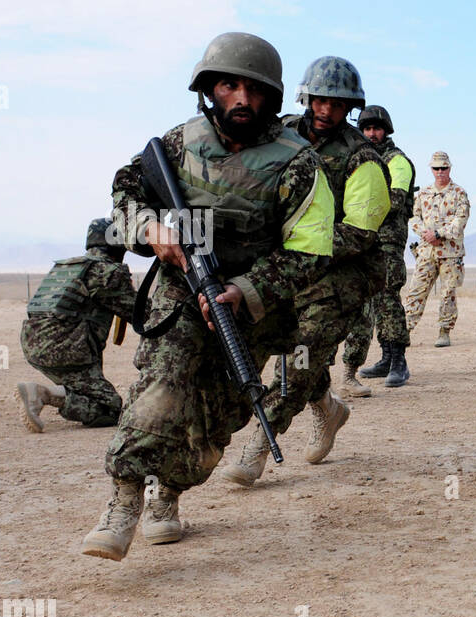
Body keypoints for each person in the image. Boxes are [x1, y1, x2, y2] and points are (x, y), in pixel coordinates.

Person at [80, 32, 334, 560]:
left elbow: (312, 251)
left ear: (273, 98)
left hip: (251, 304)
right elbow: (126, 191)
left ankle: (166, 493)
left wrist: (245, 291)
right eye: (229, 85)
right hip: (181, 288)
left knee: (217, 419)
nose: (241, 99)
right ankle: (124, 498)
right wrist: (150, 227)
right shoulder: (179, 142)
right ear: (208, 89)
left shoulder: (299, 162)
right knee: (163, 387)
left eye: (254, 90)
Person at [218, 56, 390, 487]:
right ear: (306, 97)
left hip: (342, 273)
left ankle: (257, 446)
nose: (325, 110)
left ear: (349, 106)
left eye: (336, 103)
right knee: (281, 345)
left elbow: (359, 232)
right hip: (285, 267)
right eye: (319, 100)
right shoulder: (280, 133)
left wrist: (301, 251)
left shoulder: (362, 157)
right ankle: (328, 409)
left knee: (302, 355)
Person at [16, 218, 137, 432]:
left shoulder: (69, 266)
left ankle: (53, 392)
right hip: (66, 351)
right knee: (110, 407)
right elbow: (141, 313)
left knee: (84, 386)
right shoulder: (106, 271)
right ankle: (45, 394)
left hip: (34, 345)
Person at [342, 104, 416, 391]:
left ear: (386, 130)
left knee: (388, 299)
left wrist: (360, 209)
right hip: (363, 241)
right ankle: (385, 359)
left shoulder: (396, 161)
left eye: (376, 128)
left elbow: (395, 200)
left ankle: (399, 361)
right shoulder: (361, 160)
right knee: (369, 303)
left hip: (386, 240)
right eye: (367, 128)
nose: (371, 133)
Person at [403, 152, 469, 347]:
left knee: (448, 292)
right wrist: (425, 233)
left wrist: (439, 234)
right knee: (416, 291)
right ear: (431, 169)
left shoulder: (459, 193)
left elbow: (460, 221)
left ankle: (444, 331)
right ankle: (405, 330)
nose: (440, 172)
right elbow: (413, 217)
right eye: (436, 168)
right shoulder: (423, 193)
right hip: (426, 251)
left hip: (450, 252)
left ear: (449, 168)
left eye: (443, 168)